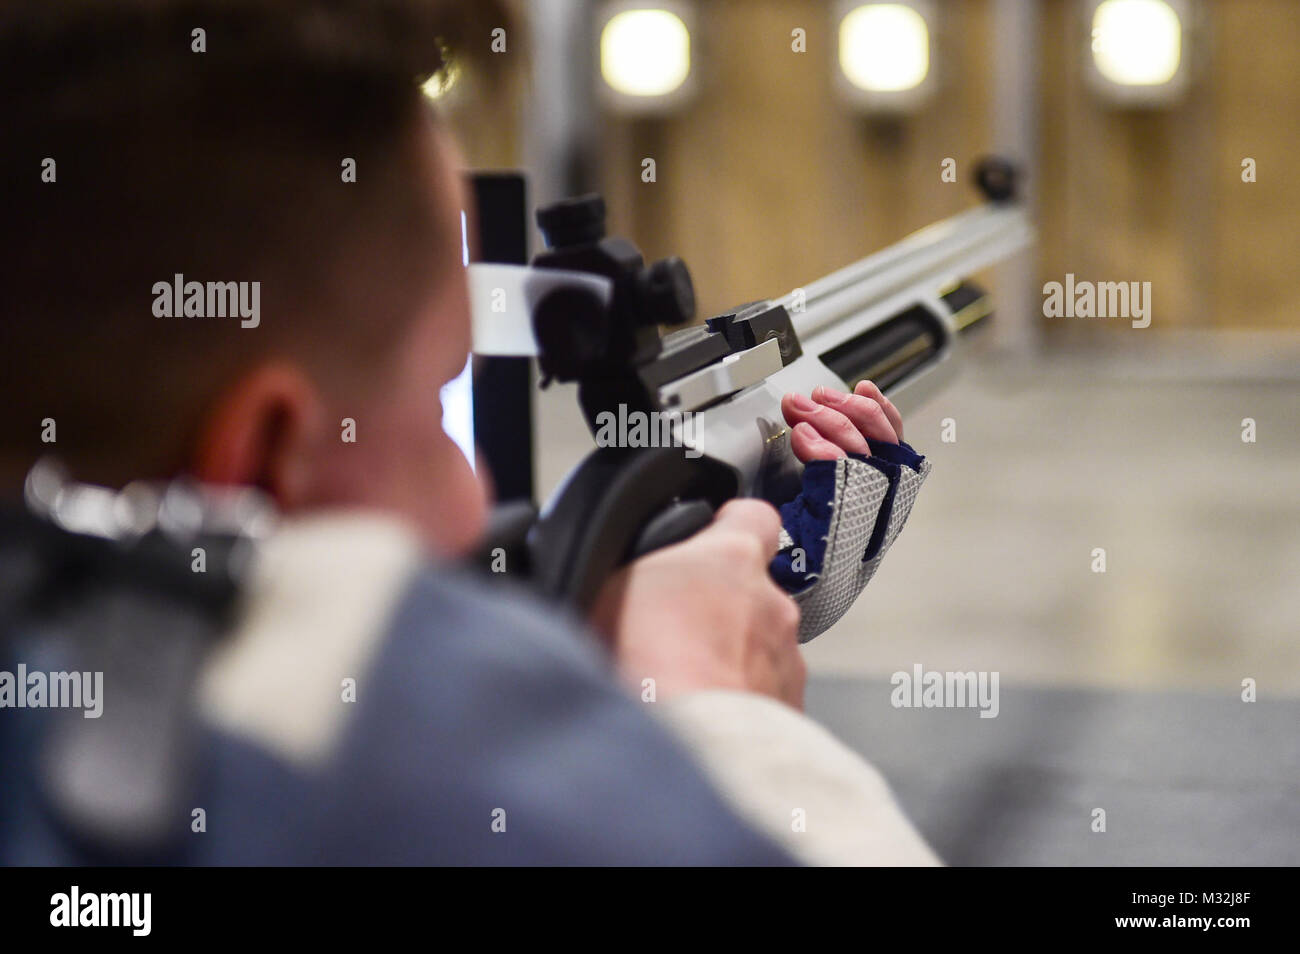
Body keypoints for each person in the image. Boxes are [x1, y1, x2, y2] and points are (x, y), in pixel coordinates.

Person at [0, 0, 936, 865]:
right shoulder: (373, 785)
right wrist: (715, 719)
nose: (482, 489)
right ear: (257, 459)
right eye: (441, 401)